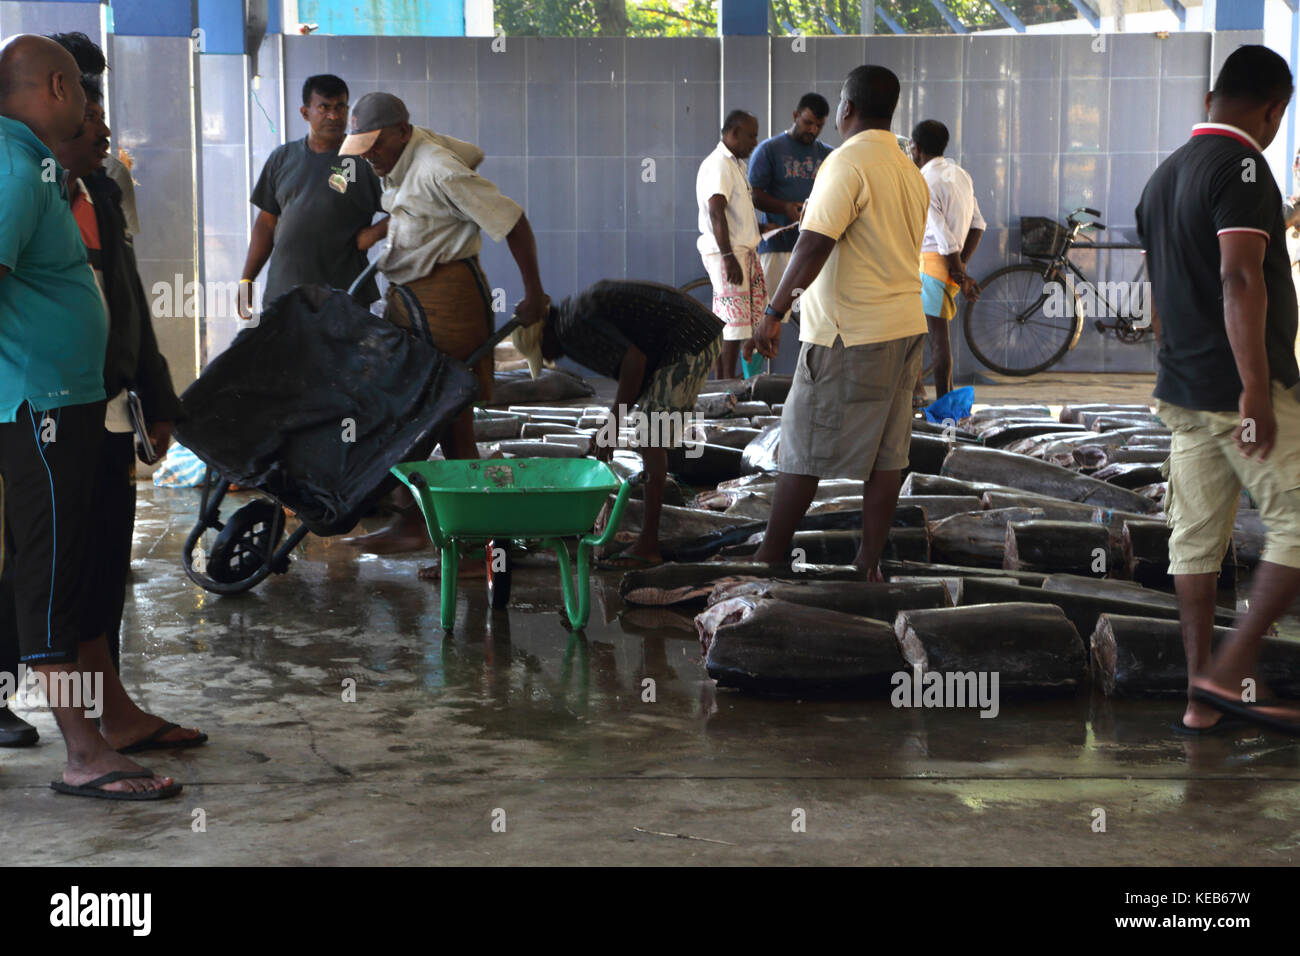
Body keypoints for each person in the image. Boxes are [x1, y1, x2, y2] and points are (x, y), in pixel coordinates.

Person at [0, 35, 186, 798]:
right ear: (53, 86)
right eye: (81, 88)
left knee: (77, 575)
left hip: (73, 403)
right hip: (39, 406)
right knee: (49, 584)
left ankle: (111, 719)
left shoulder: (43, 167)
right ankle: (80, 750)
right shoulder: (14, 167)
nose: (91, 106)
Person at [1134, 45, 1300, 735]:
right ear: (1272, 108)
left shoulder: (1163, 175)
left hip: (1184, 387)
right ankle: (1229, 671)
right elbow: (1240, 277)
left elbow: (1162, 296)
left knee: (1195, 540)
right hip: (1239, 391)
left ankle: (1200, 697)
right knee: (1297, 521)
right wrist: (1256, 390)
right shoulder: (1245, 166)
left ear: (1211, 98)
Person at [339, 92, 550, 554]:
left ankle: (462, 539)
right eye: (363, 148)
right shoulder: (400, 159)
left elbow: (513, 221)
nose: (369, 157)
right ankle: (429, 523)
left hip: (448, 303)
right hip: (412, 296)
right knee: (436, 419)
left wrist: (533, 293)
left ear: (401, 130)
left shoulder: (438, 168)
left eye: (375, 145)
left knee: (443, 416)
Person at [747, 65, 929, 581]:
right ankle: (868, 564)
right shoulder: (907, 169)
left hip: (850, 332)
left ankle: (770, 556)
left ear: (845, 109)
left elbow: (813, 242)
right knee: (887, 453)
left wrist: (774, 311)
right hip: (904, 327)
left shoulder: (845, 163)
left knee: (802, 443)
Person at [509, 281, 722, 568]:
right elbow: (635, 370)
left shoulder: (572, 328)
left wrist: (610, 427)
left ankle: (648, 546)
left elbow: (634, 364)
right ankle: (648, 538)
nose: (547, 357)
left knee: (651, 438)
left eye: (541, 350)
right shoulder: (571, 316)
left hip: (689, 339)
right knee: (648, 431)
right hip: (679, 339)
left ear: (544, 333)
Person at [239, 74, 387, 315]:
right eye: (324, 107)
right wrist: (247, 280)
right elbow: (266, 222)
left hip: (343, 298)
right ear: (305, 113)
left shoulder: (364, 160)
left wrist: (374, 233)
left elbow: (407, 206)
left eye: (340, 107)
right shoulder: (282, 157)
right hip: (284, 294)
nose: (334, 116)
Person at [909, 119, 984, 403]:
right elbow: (979, 225)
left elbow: (943, 236)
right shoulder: (960, 174)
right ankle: (920, 392)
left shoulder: (924, 180)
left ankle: (944, 404)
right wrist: (961, 266)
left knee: (936, 340)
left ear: (916, 149)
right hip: (950, 263)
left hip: (932, 264)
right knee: (922, 335)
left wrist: (958, 270)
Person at [748, 93, 833, 321]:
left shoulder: (828, 155)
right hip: (778, 247)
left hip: (815, 251)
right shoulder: (769, 150)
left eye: (819, 125)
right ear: (795, 116)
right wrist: (785, 207)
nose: (813, 130)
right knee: (764, 319)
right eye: (808, 122)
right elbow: (753, 194)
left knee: (816, 320)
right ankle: (753, 356)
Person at [696, 109, 763, 380]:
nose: (755, 143)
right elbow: (716, 210)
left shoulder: (736, 164)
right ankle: (724, 386)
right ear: (734, 133)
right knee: (731, 324)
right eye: (751, 136)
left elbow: (736, 214)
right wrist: (727, 257)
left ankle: (732, 382)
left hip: (739, 251)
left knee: (742, 324)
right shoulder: (719, 164)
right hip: (728, 253)